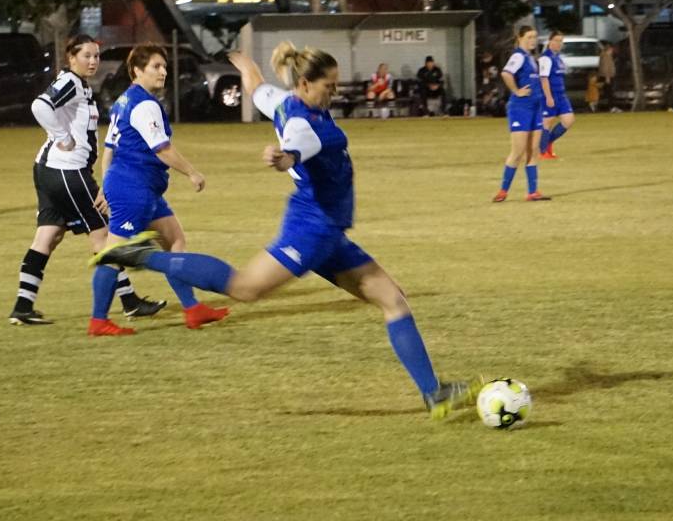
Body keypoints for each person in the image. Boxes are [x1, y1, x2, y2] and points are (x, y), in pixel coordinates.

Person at [90, 46, 480, 419]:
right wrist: (282, 158)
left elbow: (256, 86)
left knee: (394, 299)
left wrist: (243, 65)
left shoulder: (282, 101)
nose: (334, 92)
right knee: (244, 288)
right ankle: (142, 256)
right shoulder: (302, 123)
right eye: (329, 85)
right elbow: (296, 147)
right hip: (310, 229)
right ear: (306, 85)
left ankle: (435, 394)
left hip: (330, 233)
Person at [7, 35, 166, 326]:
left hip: (50, 169)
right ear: (71, 58)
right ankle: (129, 301)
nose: (93, 61)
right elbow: (40, 106)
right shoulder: (70, 81)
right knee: (104, 236)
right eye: (86, 56)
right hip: (68, 171)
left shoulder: (77, 84)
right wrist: (62, 136)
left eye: (96, 56)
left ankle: (22, 306)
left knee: (48, 236)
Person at [94, 44, 229, 336]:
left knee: (175, 240)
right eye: (156, 66)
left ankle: (192, 308)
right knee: (115, 253)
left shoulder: (124, 101)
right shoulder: (144, 104)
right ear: (137, 71)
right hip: (134, 188)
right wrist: (192, 172)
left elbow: (108, 151)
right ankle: (98, 321)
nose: (163, 71)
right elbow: (162, 149)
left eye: (164, 66)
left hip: (138, 187)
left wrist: (107, 185)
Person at [493, 26, 549, 202]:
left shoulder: (531, 58)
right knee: (518, 152)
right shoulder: (518, 56)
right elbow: (506, 73)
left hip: (535, 107)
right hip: (521, 108)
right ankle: (503, 191)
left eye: (535, 37)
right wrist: (516, 91)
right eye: (530, 37)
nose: (533, 40)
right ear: (520, 38)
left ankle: (532, 192)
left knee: (534, 150)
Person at [538, 31, 575, 159]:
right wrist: (548, 96)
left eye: (561, 41)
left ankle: (547, 143)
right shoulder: (545, 58)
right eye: (556, 40)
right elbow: (544, 78)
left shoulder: (557, 57)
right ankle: (543, 152)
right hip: (550, 94)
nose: (559, 43)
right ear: (550, 41)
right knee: (547, 122)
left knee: (568, 120)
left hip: (561, 95)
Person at [597, 43, 617, 111]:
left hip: (607, 76)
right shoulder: (606, 57)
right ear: (609, 49)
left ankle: (608, 106)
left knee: (606, 92)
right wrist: (607, 77)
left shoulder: (606, 56)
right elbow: (605, 67)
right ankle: (610, 106)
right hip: (607, 77)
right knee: (609, 92)